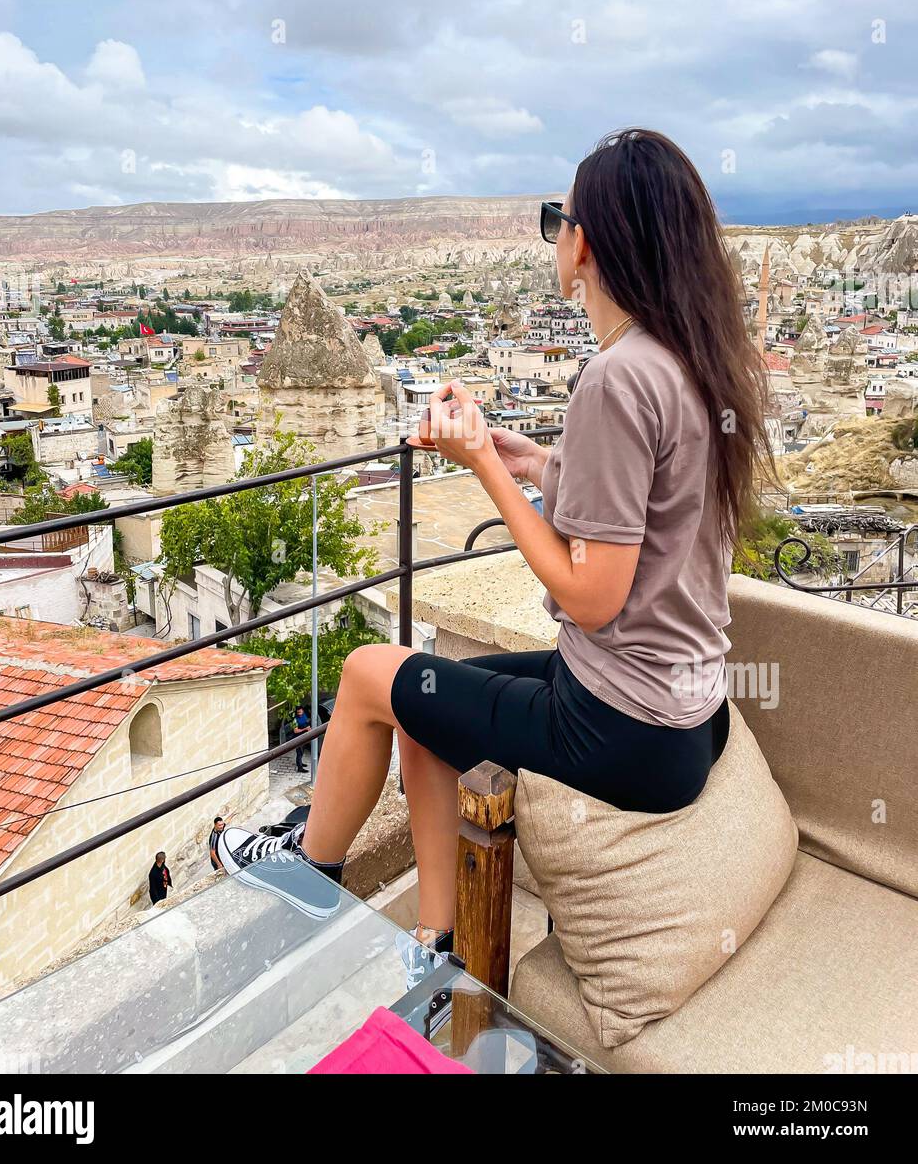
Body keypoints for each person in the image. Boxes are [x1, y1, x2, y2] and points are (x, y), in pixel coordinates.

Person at [243, 128, 772, 970]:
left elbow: (592, 595)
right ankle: (437, 942)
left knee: (364, 673)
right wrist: (538, 462)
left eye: (556, 217)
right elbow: (652, 505)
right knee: (421, 708)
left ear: (586, 241)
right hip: (684, 713)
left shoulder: (617, 377)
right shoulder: (692, 359)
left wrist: (483, 462)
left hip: (621, 724)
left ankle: (308, 875)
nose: (554, 235)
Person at [292, 705, 311, 774]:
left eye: (300, 712)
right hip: (298, 738)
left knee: (302, 751)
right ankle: (300, 768)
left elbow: (306, 721)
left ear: (302, 711)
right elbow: (295, 731)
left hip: (304, 737)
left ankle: (300, 763)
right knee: (299, 753)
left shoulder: (304, 715)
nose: (299, 714)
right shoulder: (295, 719)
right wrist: (305, 729)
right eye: (298, 713)